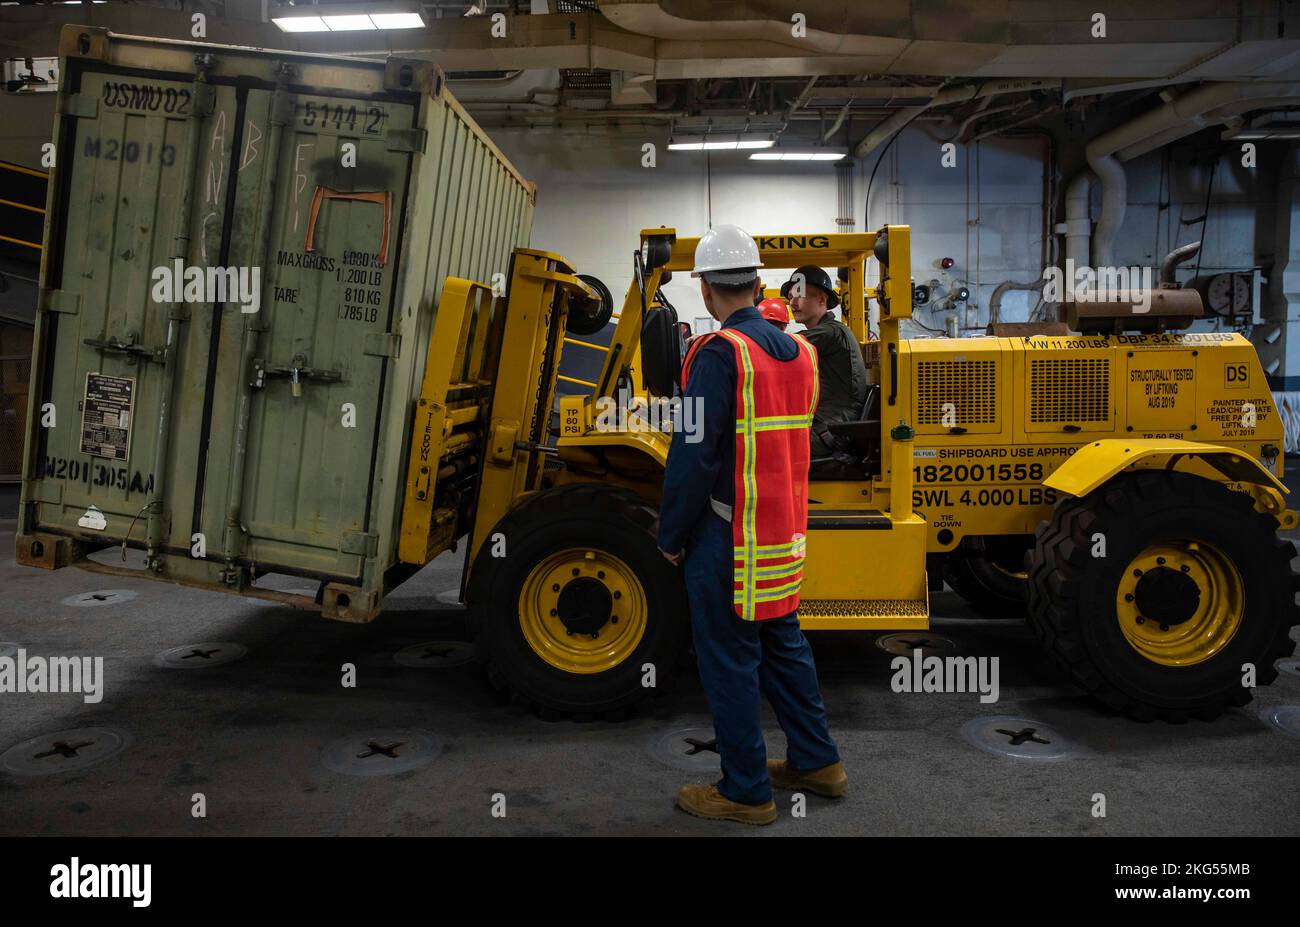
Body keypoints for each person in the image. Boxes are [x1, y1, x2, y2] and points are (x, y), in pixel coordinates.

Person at [658, 224, 846, 826]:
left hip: (727, 535)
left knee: (729, 657)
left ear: (708, 290)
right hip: (782, 534)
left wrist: (669, 535)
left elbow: (692, 457)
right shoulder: (804, 354)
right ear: (759, 282)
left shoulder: (715, 354)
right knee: (784, 645)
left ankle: (745, 791)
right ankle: (819, 764)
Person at [781, 265, 868, 457]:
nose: (792, 303)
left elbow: (785, 346)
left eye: (799, 295)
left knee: (764, 448)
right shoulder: (826, 333)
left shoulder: (832, 332)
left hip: (833, 431)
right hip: (827, 424)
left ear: (822, 299)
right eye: (790, 298)